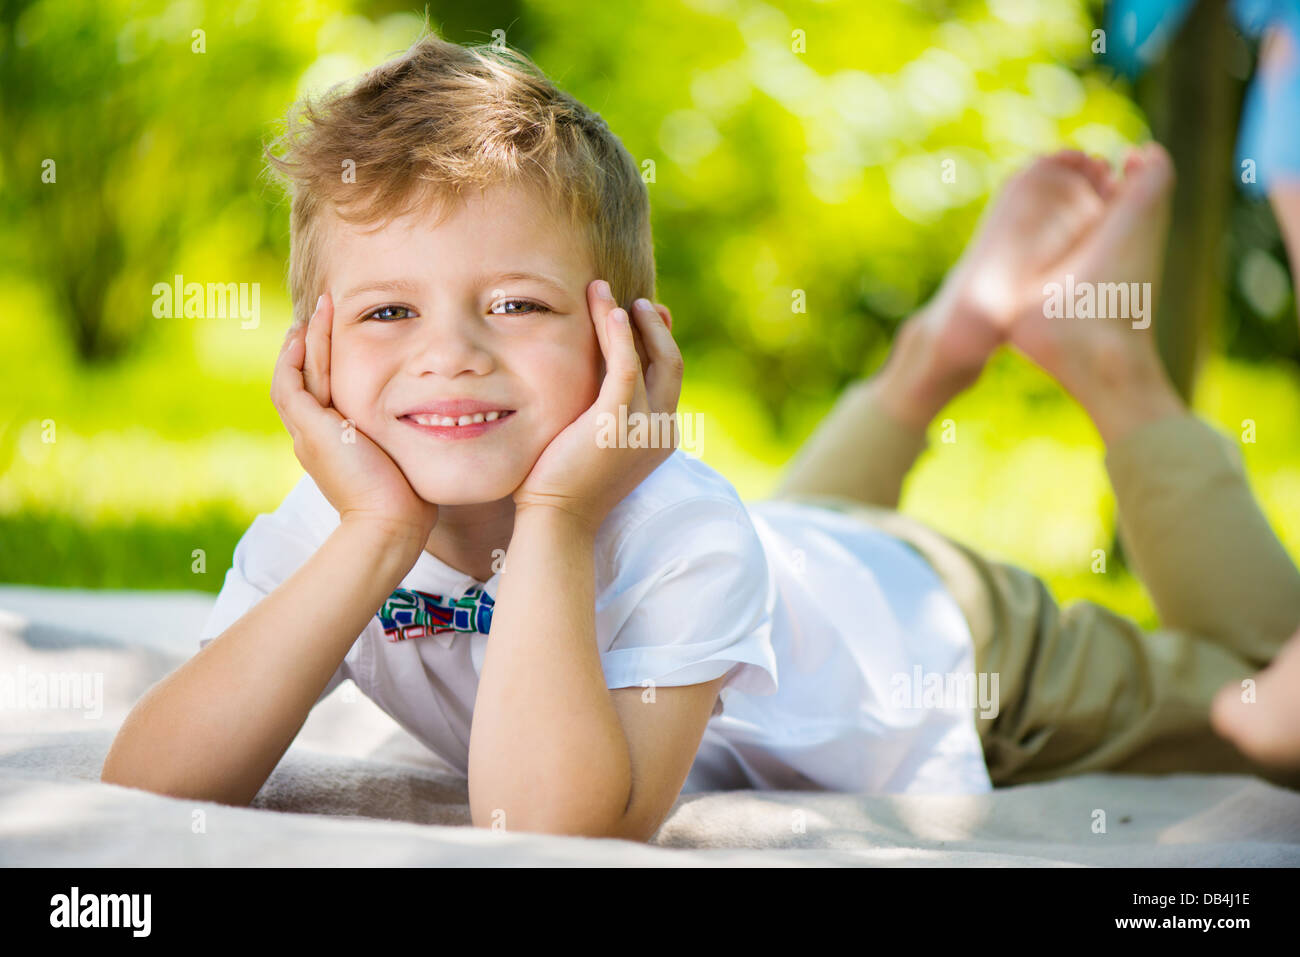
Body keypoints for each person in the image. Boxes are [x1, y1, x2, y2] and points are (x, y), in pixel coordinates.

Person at [101, 31, 1300, 845]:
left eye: (514, 304)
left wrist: (558, 517)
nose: (447, 353)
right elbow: (149, 783)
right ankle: (941, 347)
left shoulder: (670, 531)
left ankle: (1112, 372)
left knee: (1264, 707)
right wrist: (373, 534)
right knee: (785, 531)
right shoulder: (327, 533)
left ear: (626, 342)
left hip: (957, 649)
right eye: (385, 312)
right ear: (313, 353)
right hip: (801, 558)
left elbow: (556, 829)